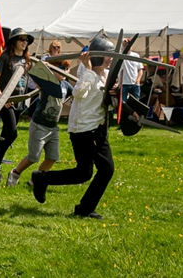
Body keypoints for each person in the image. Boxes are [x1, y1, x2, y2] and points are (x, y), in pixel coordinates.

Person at [31, 38, 121, 219]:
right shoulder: (86, 72)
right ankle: (83, 208)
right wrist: (88, 69)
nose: (110, 59)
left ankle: (43, 179)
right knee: (103, 170)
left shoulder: (106, 75)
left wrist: (115, 93)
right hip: (84, 130)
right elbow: (78, 93)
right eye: (106, 55)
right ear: (97, 57)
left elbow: (106, 104)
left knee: (84, 173)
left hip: (98, 128)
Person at [7, 60, 73, 187]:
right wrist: (43, 68)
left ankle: (35, 180)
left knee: (52, 157)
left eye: (67, 69)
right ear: (53, 70)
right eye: (61, 69)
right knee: (33, 157)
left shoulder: (66, 85)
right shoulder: (47, 83)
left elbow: (76, 93)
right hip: (39, 125)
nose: (65, 72)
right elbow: (36, 78)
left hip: (53, 127)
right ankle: (15, 172)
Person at [0, 28, 32, 185]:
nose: (24, 42)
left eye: (26, 40)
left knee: (6, 135)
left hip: (19, 102)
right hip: (6, 102)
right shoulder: (5, 58)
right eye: (21, 39)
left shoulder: (27, 61)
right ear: (13, 42)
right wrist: (2, 98)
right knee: (12, 134)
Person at [120, 38, 144, 104]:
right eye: (126, 45)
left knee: (136, 103)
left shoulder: (136, 55)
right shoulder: (120, 55)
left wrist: (138, 79)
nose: (128, 46)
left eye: (129, 45)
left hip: (135, 84)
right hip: (123, 83)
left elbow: (140, 69)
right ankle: (125, 114)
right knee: (123, 103)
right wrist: (123, 42)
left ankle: (135, 114)